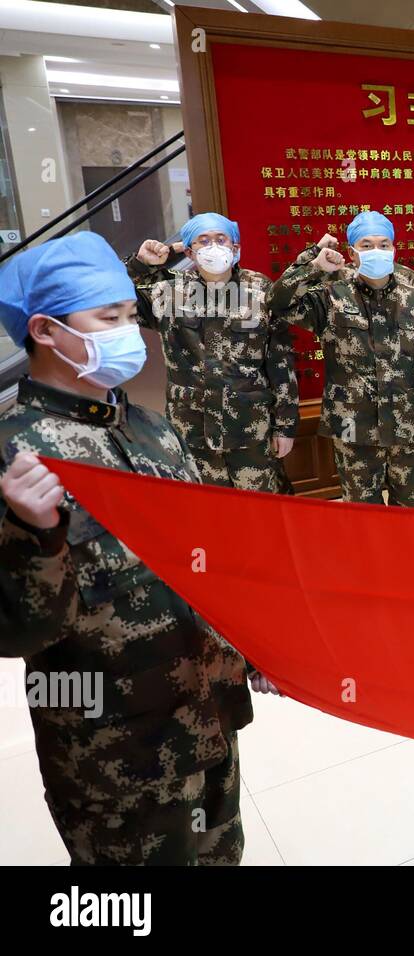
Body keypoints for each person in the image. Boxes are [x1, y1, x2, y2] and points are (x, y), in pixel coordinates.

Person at [0, 231, 268, 865]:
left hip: (206, 714)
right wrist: (34, 534)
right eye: (109, 318)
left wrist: (252, 644)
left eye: (130, 316)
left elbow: (206, 558)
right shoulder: (16, 453)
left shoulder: (149, 427)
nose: (130, 331)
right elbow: (17, 634)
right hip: (113, 748)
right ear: (45, 329)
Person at [269, 211, 414, 507]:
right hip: (355, 426)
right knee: (363, 512)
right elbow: (278, 301)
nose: (376, 251)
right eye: (366, 245)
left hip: (409, 422)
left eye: (383, 244)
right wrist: (313, 265)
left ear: (394, 250)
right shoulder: (330, 296)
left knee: (412, 508)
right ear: (351, 253)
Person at [128, 212, 298, 493]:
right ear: (190, 252)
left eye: (221, 239)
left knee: (262, 512)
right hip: (193, 429)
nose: (213, 246)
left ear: (236, 248)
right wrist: (140, 264)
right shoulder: (168, 293)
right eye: (203, 241)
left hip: (250, 427)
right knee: (211, 513)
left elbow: (281, 362)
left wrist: (286, 426)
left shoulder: (259, 290)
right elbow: (111, 295)